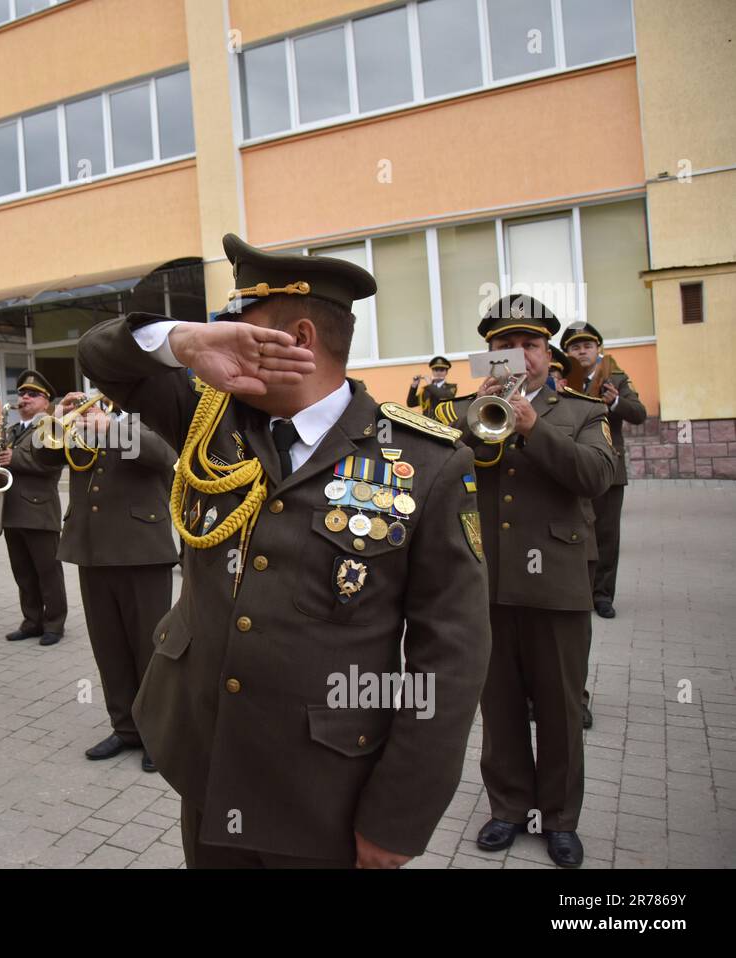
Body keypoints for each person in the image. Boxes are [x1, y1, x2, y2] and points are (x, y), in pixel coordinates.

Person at [78, 233, 491, 868]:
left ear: (298, 338)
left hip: (324, 791)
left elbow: (450, 659)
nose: (222, 344)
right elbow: (101, 355)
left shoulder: (426, 463)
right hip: (208, 760)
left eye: (238, 330)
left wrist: (396, 820)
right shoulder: (206, 417)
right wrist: (184, 342)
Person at [434, 295, 615, 868]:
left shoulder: (582, 411)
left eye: (530, 346)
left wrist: (535, 428)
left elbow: (597, 478)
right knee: (501, 705)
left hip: (556, 582)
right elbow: (437, 476)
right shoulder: (464, 410)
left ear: (548, 354)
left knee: (560, 709)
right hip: (486, 580)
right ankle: (509, 808)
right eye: (504, 349)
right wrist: (473, 423)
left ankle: (560, 819)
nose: (518, 357)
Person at [32, 391, 177, 771]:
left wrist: (111, 428)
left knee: (149, 649)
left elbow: (164, 456)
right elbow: (41, 457)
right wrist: (57, 418)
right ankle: (125, 727)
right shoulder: (82, 418)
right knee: (108, 646)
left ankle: (156, 735)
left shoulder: (156, 413)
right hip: (91, 549)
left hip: (142, 550)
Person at [560, 322, 647, 619]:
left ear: (598, 349)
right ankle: (579, 590)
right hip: (571, 468)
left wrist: (616, 402)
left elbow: (639, 414)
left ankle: (603, 595)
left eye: (587, 345)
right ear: (567, 353)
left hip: (609, 468)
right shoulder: (559, 380)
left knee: (607, 536)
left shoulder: (617, 378)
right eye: (574, 347)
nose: (581, 351)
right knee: (575, 533)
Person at [0, 370, 68, 647]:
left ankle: (55, 623)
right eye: (22, 394)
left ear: (46, 401)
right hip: (12, 511)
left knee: (48, 572)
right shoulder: (13, 430)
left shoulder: (50, 427)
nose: (24, 398)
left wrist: (16, 458)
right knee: (23, 572)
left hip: (38, 511)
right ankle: (32, 621)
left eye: (32, 394)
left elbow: (51, 465)